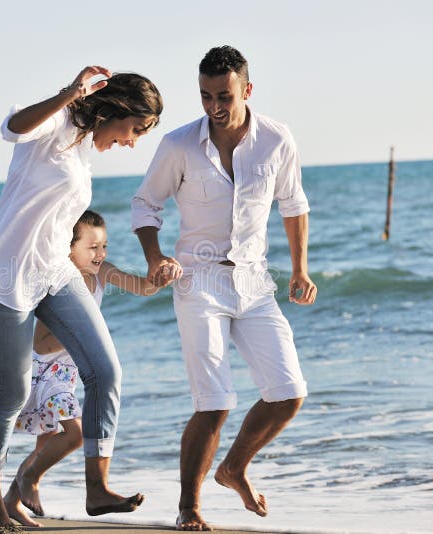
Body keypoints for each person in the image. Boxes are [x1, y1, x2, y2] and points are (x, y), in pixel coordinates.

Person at [131, 46, 317, 531]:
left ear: (247, 90)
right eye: (206, 95)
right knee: (213, 401)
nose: (214, 106)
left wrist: (300, 269)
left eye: (224, 95)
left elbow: (293, 205)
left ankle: (233, 468)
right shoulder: (178, 145)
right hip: (199, 281)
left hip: (255, 281)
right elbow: (145, 206)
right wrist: (156, 258)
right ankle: (188, 508)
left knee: (289, 392)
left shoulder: (277, 139)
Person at [0, 66, 163, 527]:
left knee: (106, 371)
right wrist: (69, 93)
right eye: (134, 129)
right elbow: (11, 128)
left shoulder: (81, 154)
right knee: (13, 389)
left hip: (55, 271)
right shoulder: (56, 124)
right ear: (116, 110)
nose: (132, 141)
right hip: (6, 274)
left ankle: (95, 488)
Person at [0, 210, 160, 526]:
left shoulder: (102, 272)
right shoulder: (59, 284)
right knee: (75, 434)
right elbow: (41, 344)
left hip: (67, 375)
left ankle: (13, 498)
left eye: (104, 246)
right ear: (68, 249)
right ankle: (27, 479)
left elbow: (142, 288)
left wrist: (158, 277)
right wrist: (81, 337)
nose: (101, 254)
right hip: (45, 374)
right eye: (92, 247)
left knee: (47, 441)